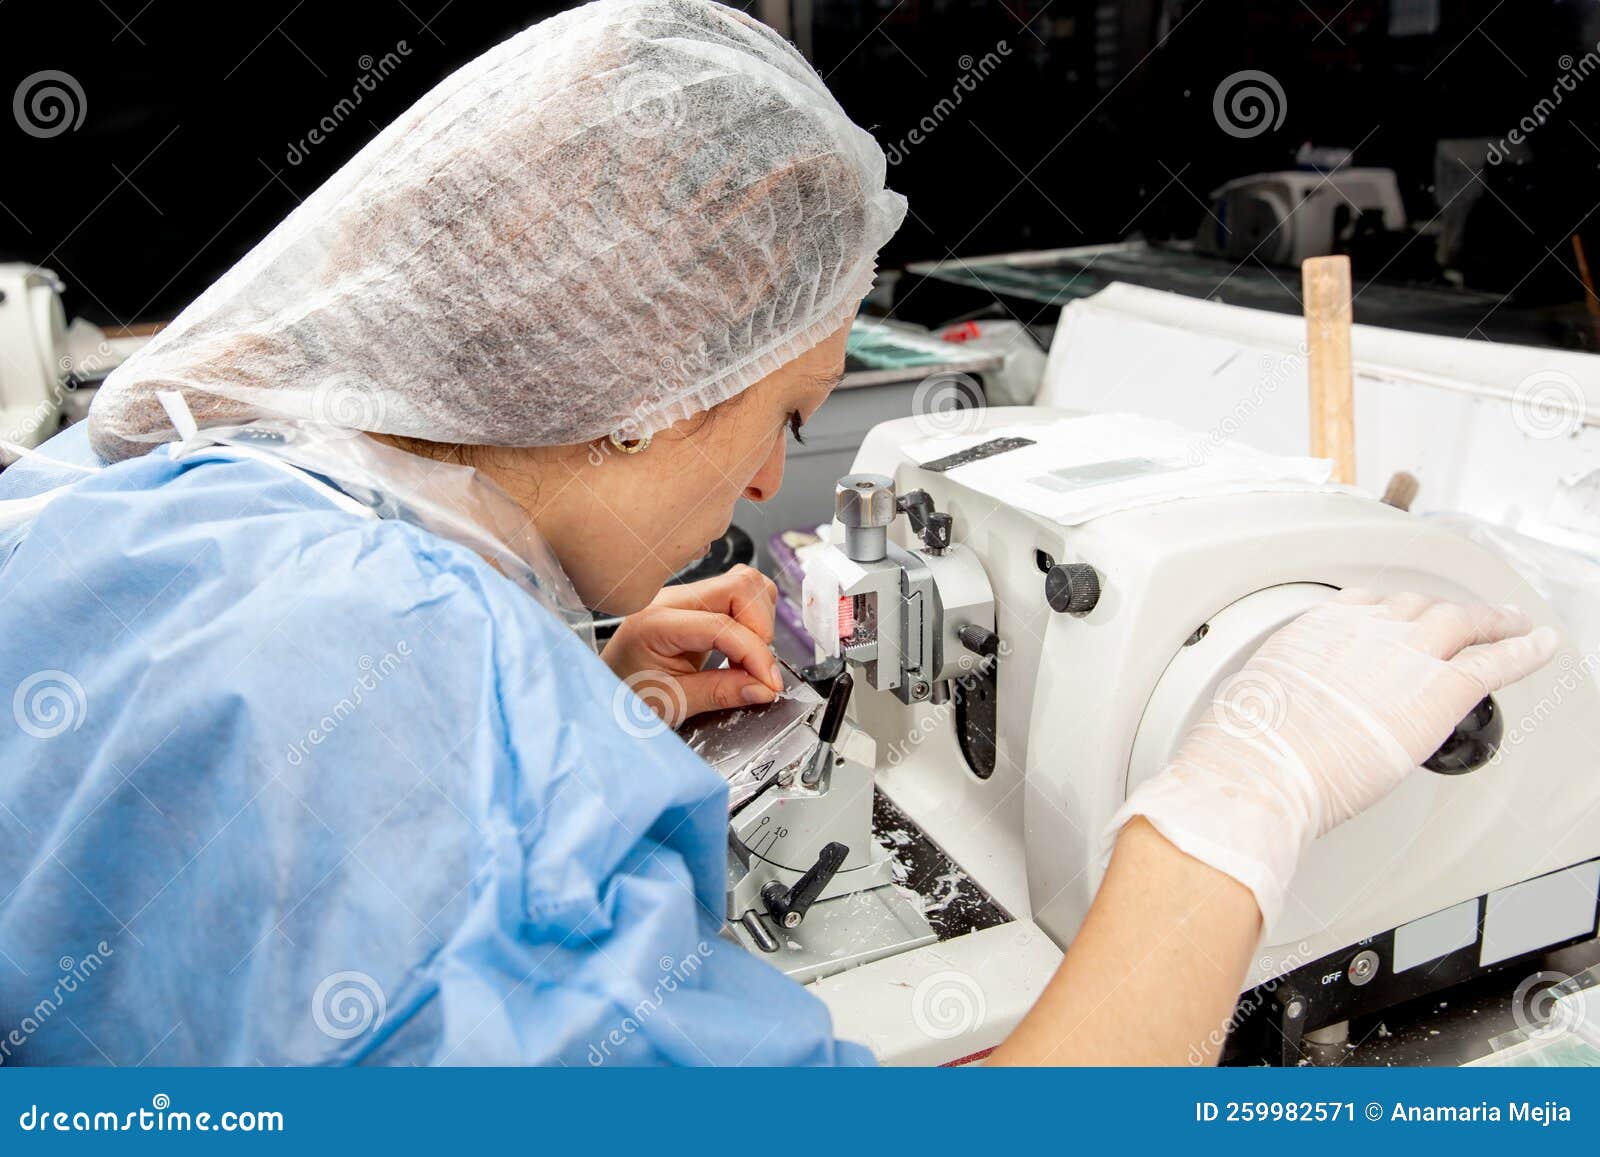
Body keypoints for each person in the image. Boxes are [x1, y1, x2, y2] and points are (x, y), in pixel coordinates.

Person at [0, 0, 1556, 1067]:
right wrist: (1231, 807)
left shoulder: (148, 505)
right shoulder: (418, 710)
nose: (764, 485)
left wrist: (573, 687)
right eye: (784, 414)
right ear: (639, 381)